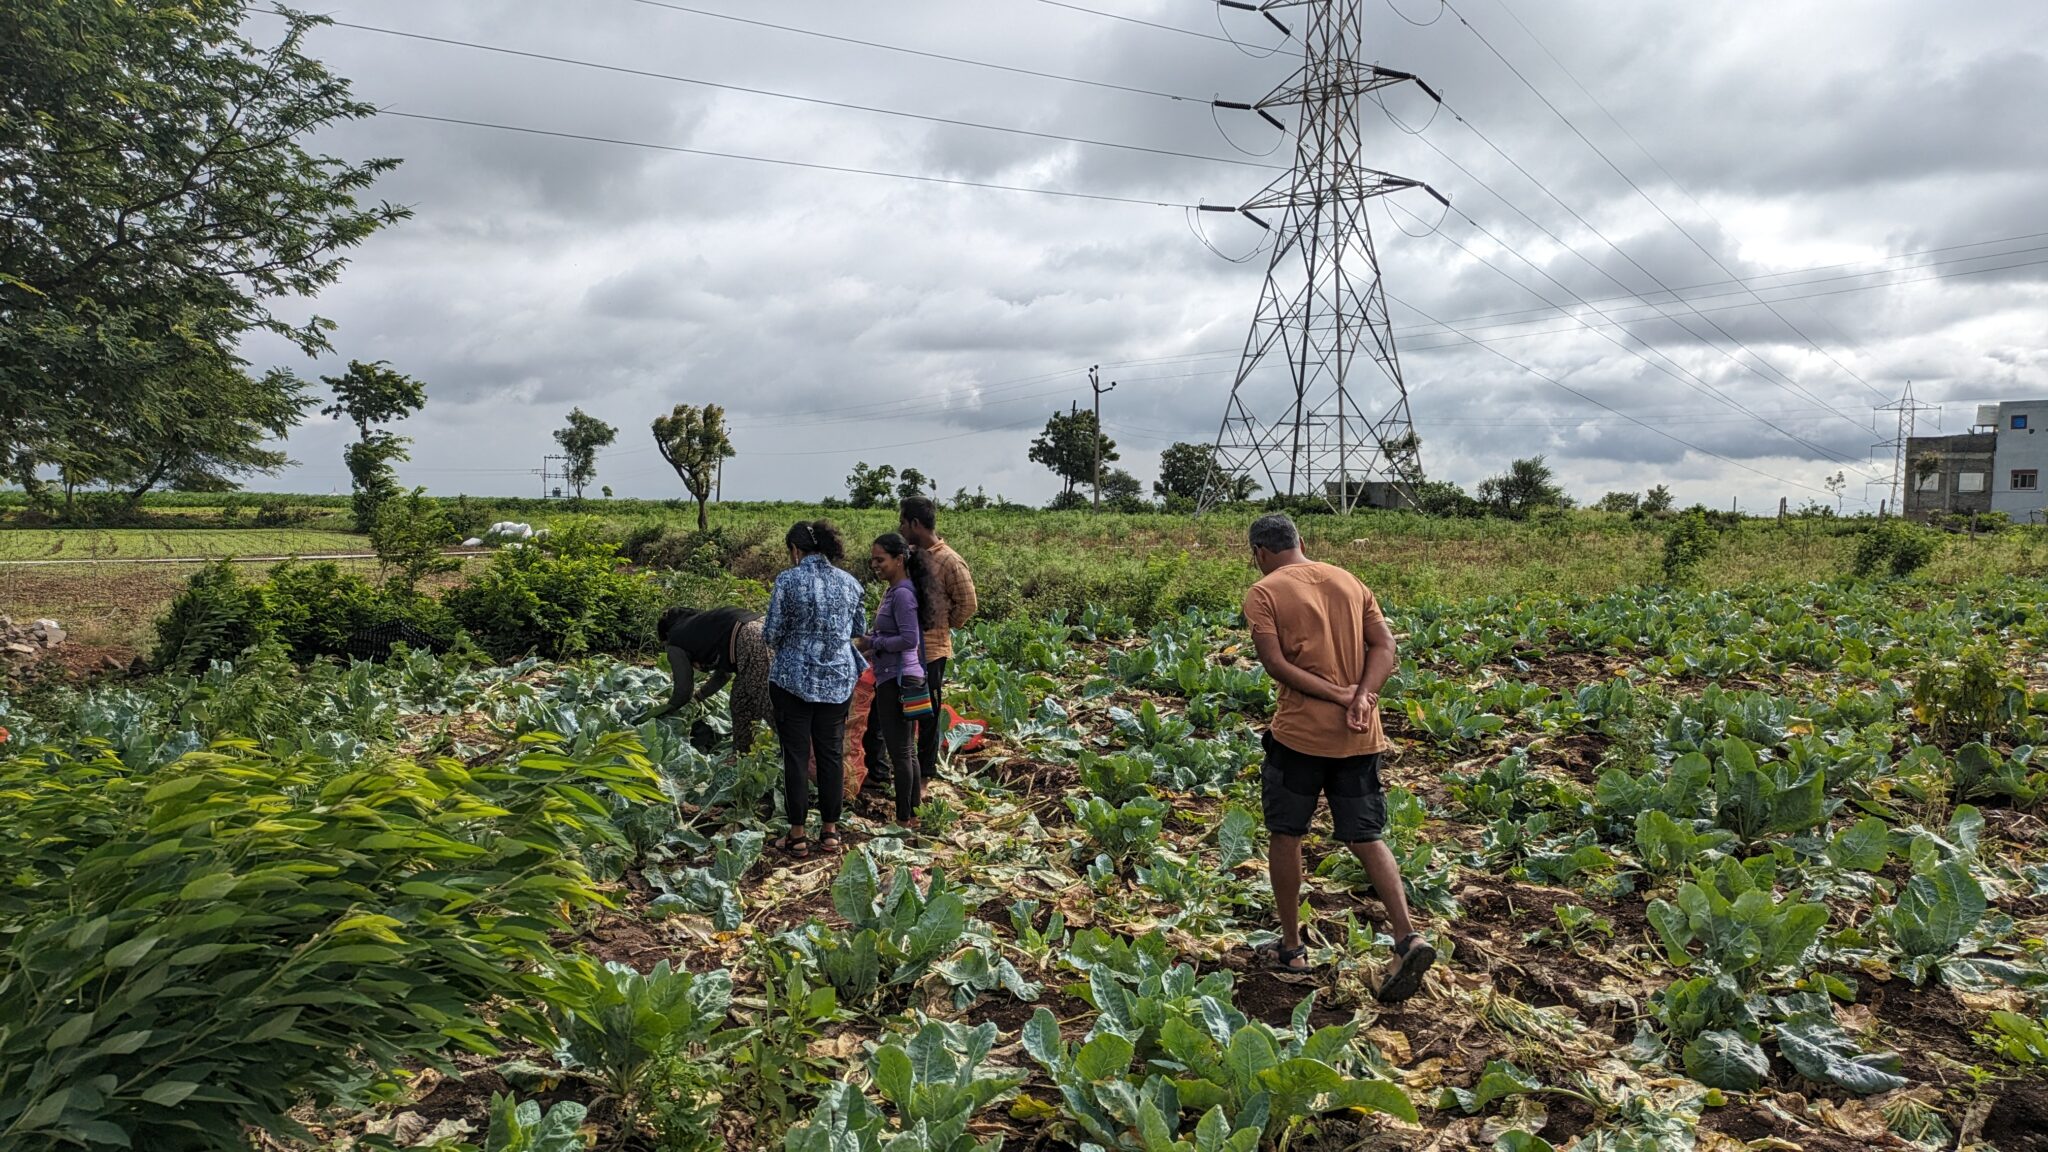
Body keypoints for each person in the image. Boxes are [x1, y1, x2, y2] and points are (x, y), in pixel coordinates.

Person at [1242, 512, 1433, 1002]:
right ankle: (1407, 935)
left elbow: (1275, 665)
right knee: (1366, 835)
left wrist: (1335, 694)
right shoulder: (1349, 581)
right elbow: (1385, 646)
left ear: (1260, 553)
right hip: (1360, 736)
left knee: (1286, 834)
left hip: (1300, 737)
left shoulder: (1264, 592)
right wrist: (1363, 697)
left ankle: (1291, 948)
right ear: (1301, 541)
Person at [762, 520, 866, 859]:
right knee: (830, 753)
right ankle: (831, 832)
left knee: (795, 755)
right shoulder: (850, 583)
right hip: (837, 678)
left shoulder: (788, 580)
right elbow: (859, 628)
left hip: (792, 678)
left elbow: (771, 633)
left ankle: (797, 835)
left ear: (795, 550)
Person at [898, 495, 977, 779]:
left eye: (903, 522)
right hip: (903, 649)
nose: (900, 528)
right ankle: (904, 768)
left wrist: (941, 626)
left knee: (927, 715)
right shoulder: (908, 555)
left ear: (915, 523)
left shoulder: (950, 561)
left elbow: (968, 604)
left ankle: (925, 774)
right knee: (900, 710)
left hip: (931, 651)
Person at [855, 532, 930, 827]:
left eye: (880, 559)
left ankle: (904, 819)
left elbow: (909, 638)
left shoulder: (902, 593)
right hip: (900, 676)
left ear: (899, 560)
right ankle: (912, 813)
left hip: (898, 680)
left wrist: (876, 643)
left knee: (900, 751)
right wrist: (873, 640)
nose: (875, 564)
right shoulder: (896, 591)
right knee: (905, 750)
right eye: (873, 559)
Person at [648, 605, 769, 753]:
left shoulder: (675, 640)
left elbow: (683, 691)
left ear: (665, 635)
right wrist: (698, 697)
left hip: (751, 637)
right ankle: (743, 756)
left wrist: (662, 711)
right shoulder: (701, 627)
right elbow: (723, 675)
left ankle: (801, 759)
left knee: (770, 704)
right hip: (765, 626)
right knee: (741, 702)